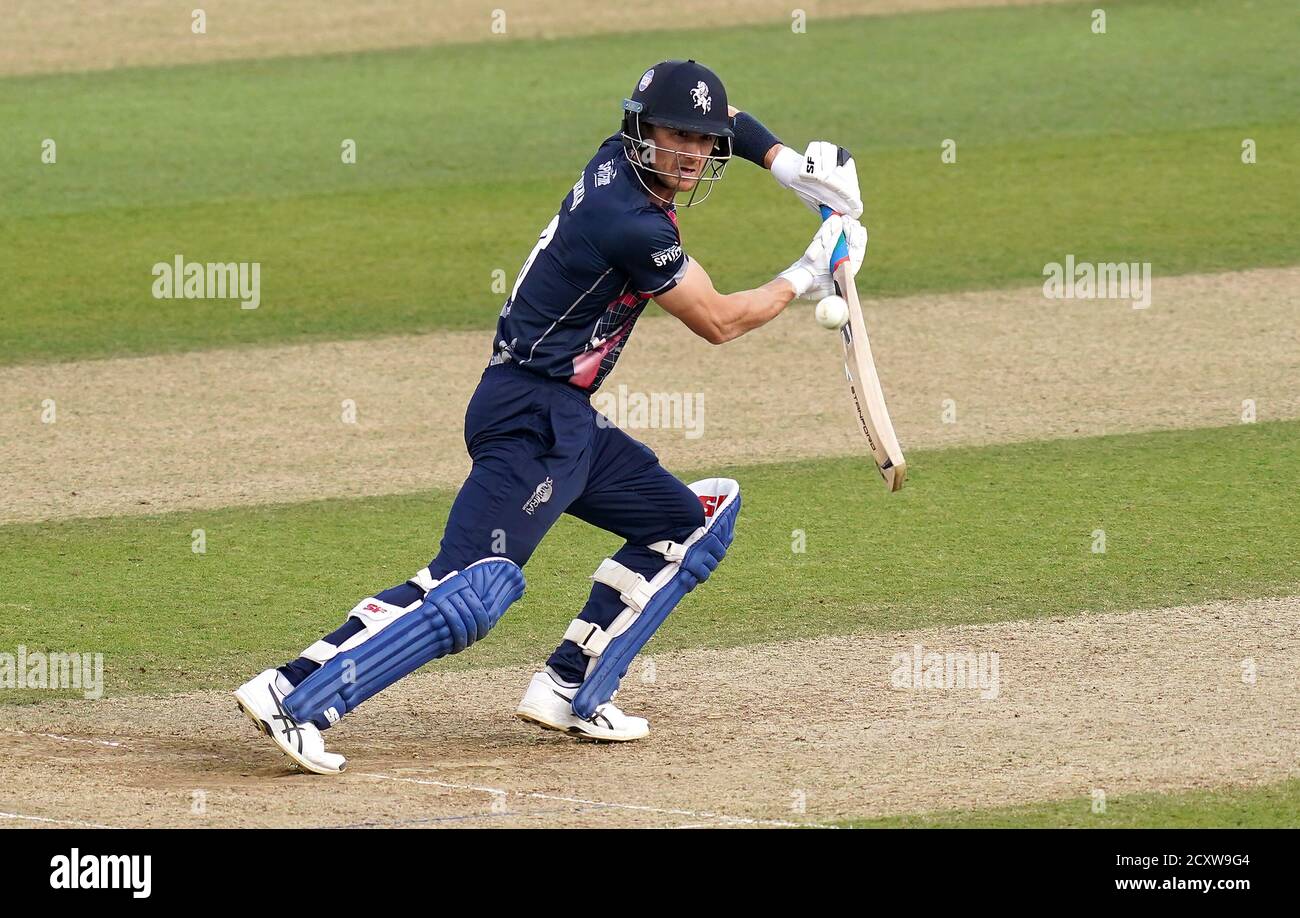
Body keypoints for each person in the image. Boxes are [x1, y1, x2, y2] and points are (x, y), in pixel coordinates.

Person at [234, 58, 866, 774]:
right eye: (676, 136)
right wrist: (810, 269)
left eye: (703, 140)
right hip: (531, 414)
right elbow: (719, 321)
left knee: (687, 524)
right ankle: (293, 692)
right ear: (642, 130)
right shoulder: (629, 222)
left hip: (563, 417)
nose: (692, 153)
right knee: (474, 584)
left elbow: (725, 116)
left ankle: (570, 687)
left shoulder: (618, 163)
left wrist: (789, 165)